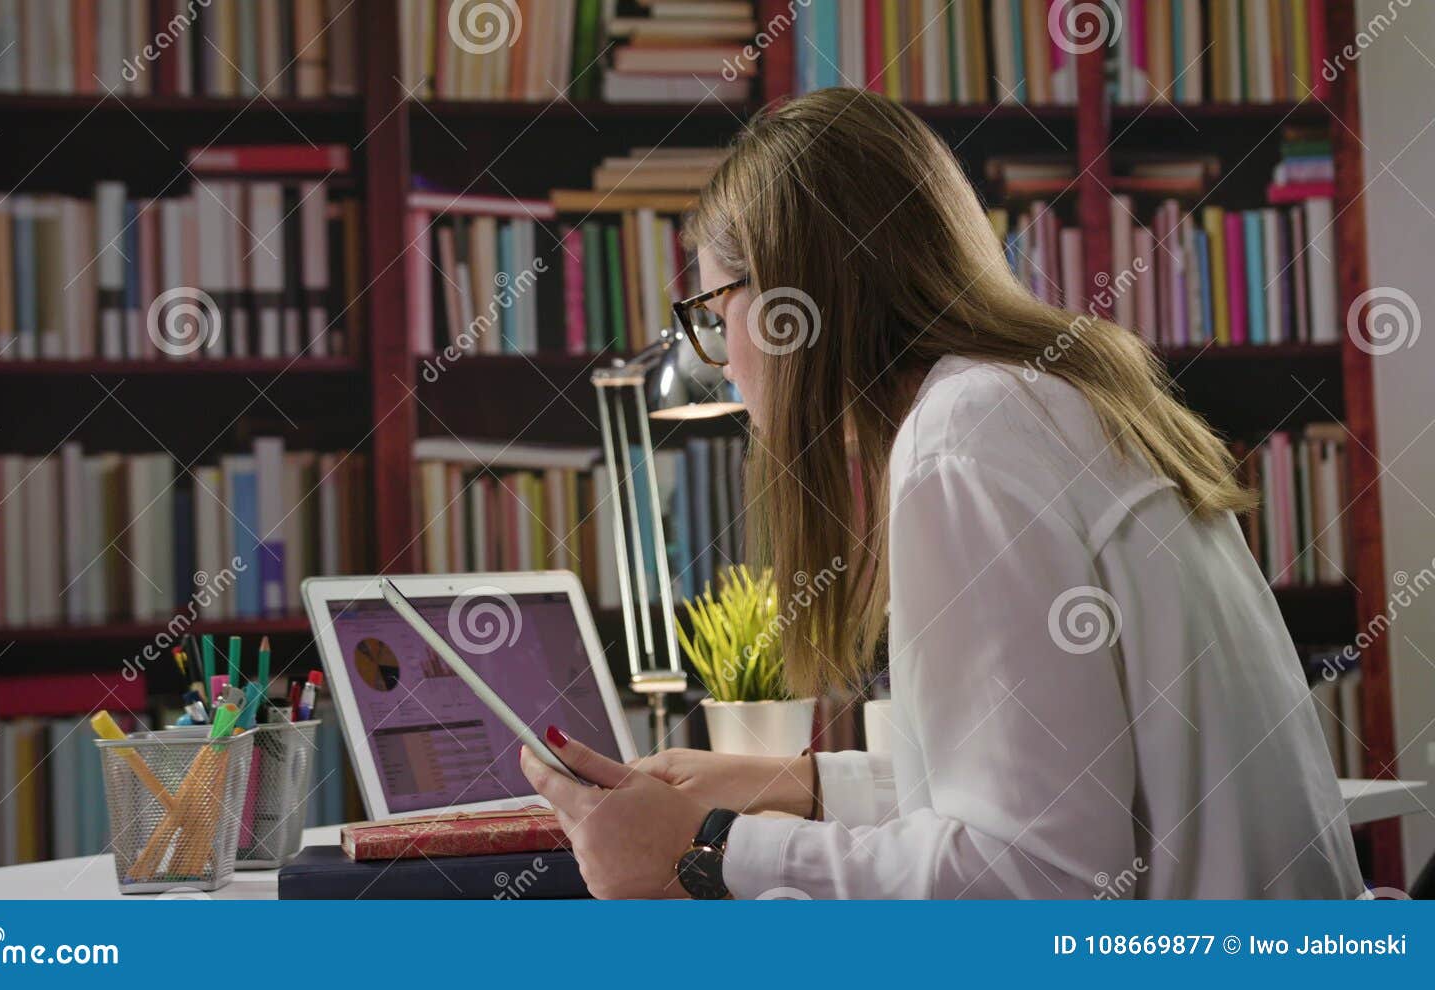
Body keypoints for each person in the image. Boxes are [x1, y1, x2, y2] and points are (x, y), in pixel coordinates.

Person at [519, 87, 1364, 900]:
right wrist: (797, 784)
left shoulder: (962, 440)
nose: (723, 359)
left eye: (712, 310)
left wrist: (708, 849)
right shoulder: (1039, 396)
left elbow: (1038, 883)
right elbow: (1055, 782)